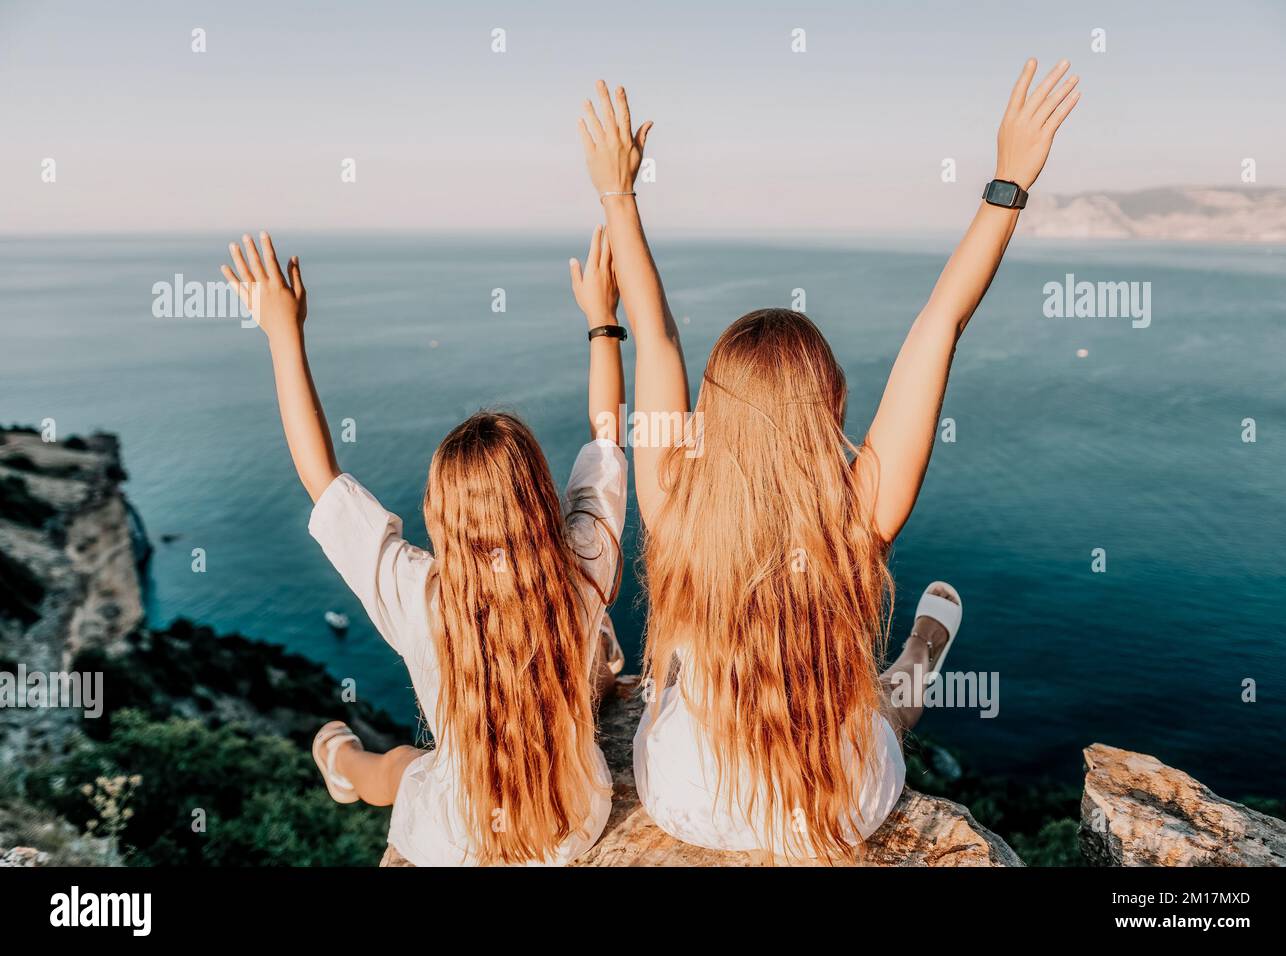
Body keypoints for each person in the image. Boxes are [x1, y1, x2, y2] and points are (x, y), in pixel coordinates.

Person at [576, 59, 1080, 859]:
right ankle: (923, 650)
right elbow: (940, 323)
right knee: (881, 704)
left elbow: (659, 335)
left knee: (672, 684)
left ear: (711, 407)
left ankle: (909, 655)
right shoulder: (861, 509)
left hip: (687, 800)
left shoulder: (672, 497)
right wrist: (1009, 179)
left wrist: (617, 195)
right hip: (840, 805)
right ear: (830, 402)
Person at [219, 226, 628, 865]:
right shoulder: (583, 562)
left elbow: (320, 479)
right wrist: (603, 320)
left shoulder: (422, 595)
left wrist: (283, 336)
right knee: (588, 659)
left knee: (406, 767)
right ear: (542, 498)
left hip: (461, 837)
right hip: (579, 817)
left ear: (437, 517)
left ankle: (339, 761)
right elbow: (607, 439)